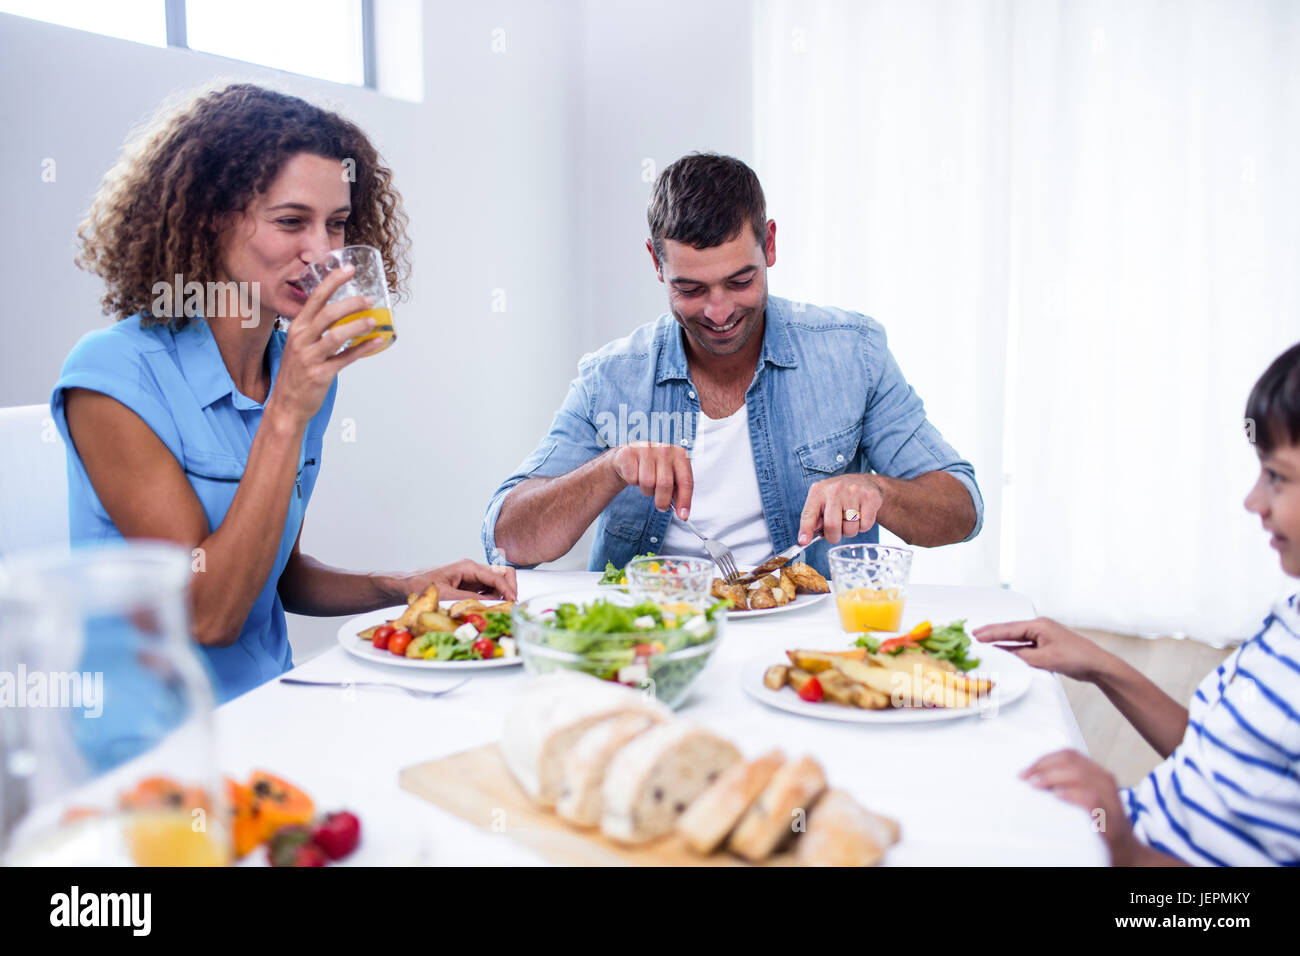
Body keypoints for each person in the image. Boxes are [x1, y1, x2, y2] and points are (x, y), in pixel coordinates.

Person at [54, 83, 514, 703]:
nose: (324, 253)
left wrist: (403, 584)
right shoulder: (115, 376)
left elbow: (275, 574)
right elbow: (209, 616)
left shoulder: (292, 371)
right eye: (292, 222)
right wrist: (289, 406)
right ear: (208, 218)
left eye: (338, 224)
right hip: (152, 738)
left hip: (267, 700)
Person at [483, 153, 981, 575]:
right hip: (651, 646)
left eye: (740, 281)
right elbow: (507, 542)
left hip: (804, 646)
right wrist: (609, 468)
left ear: (770, 244)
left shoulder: (854, 354)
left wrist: (877, 489)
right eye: (690, 289)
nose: (719, 313)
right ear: (657, 265)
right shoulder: (610, 379)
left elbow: (962, 511)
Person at [975, 343, 1300, 866]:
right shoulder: (1290, 618)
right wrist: (1100, 665)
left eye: (1278, 477)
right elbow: (1216, 760)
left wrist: (1125, 851)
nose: (1252, 502)